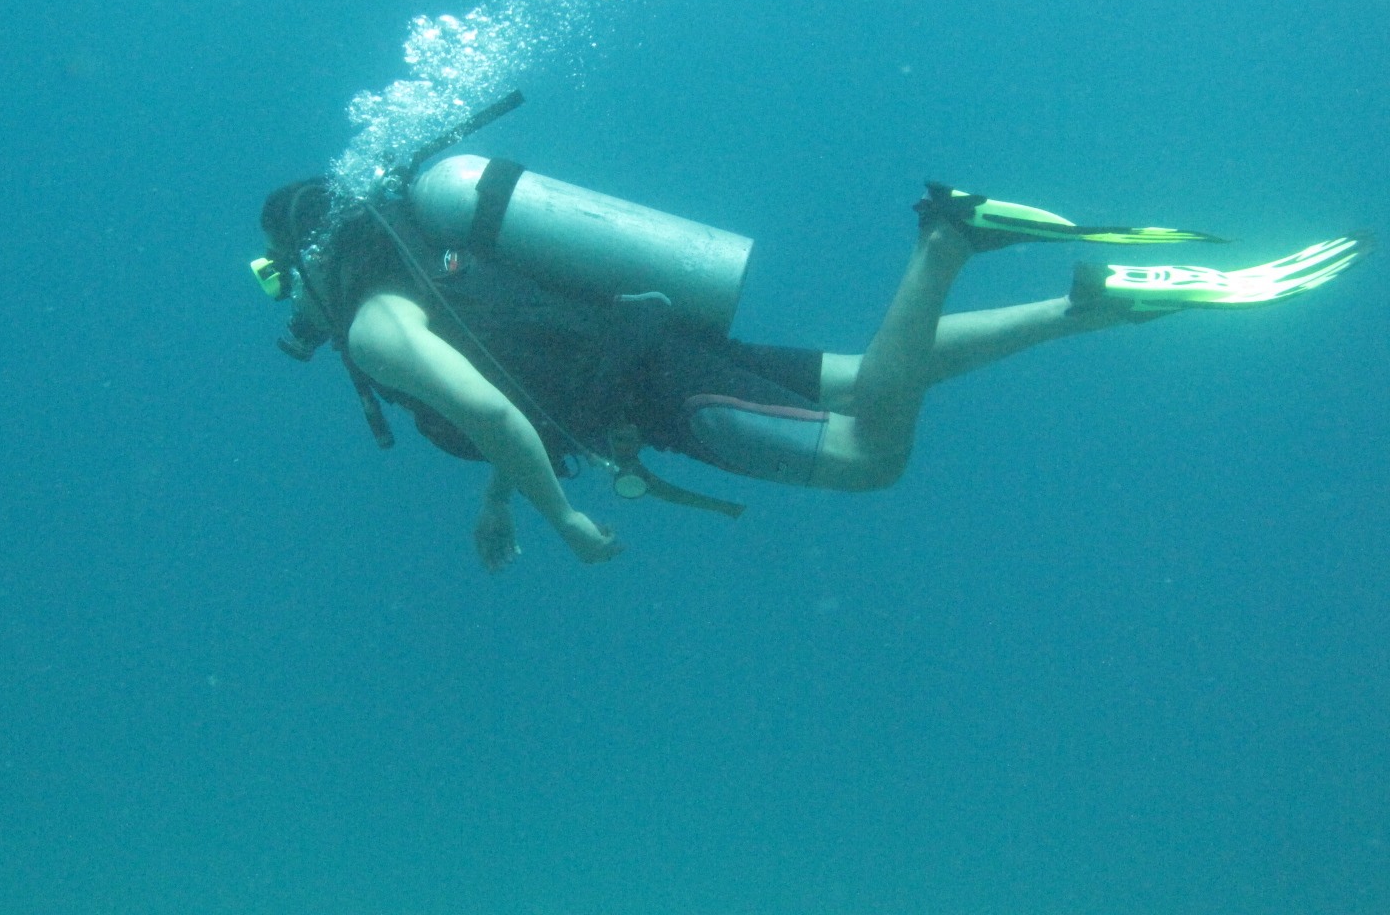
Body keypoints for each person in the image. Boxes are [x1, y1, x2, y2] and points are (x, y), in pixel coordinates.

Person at [253, 170, 1369, 570]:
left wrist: (557, 519)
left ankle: (946, 239)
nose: (288, 305)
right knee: (874, 372)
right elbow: (510, 372)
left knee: (867, 456)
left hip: (657, 396)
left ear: (309, 257)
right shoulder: (435, 265)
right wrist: (504, 497)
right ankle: (1092, 308)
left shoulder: (373, 324)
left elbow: (497, 411)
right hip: (657, 349)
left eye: (275, 279)